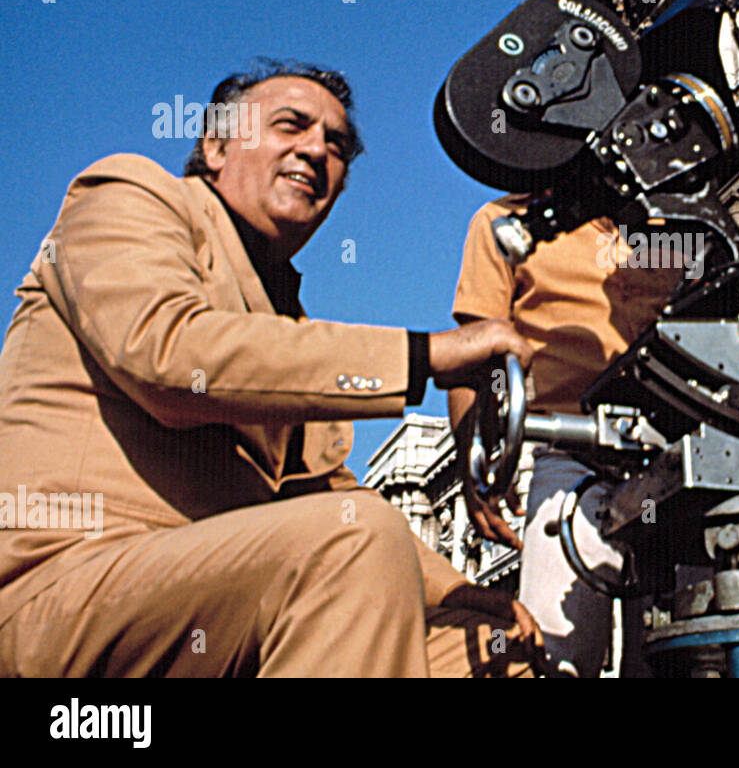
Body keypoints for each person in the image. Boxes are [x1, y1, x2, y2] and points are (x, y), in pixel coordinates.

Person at [0, 60, 543, 677]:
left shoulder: (290, 326)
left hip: (219, 612)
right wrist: (426, 355)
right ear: (214, 145)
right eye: (291, 125)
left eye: (336, 145)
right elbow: (168, 354)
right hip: (66, 595)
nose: (315, 149)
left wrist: (457, 593)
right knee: (353, 542)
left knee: (491, 652)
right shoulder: (130, 196)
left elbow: (329, 490)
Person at [449, 198, 687, 677]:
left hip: (679, 453)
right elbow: (471, 358)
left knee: (687, 650)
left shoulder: (681, 227)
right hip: (567, 450)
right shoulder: (503, 224)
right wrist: (474, 469)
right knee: (556, 655)